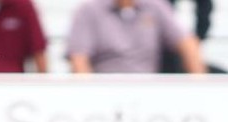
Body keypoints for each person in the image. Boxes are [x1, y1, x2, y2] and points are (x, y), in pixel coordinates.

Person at [66, 0, 207, 74]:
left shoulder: (155, 6)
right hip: (104, 89)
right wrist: (90, 94)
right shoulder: (88, 10)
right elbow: (79, 60)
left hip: (147, 90)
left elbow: (187, 44)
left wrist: (199, 87)